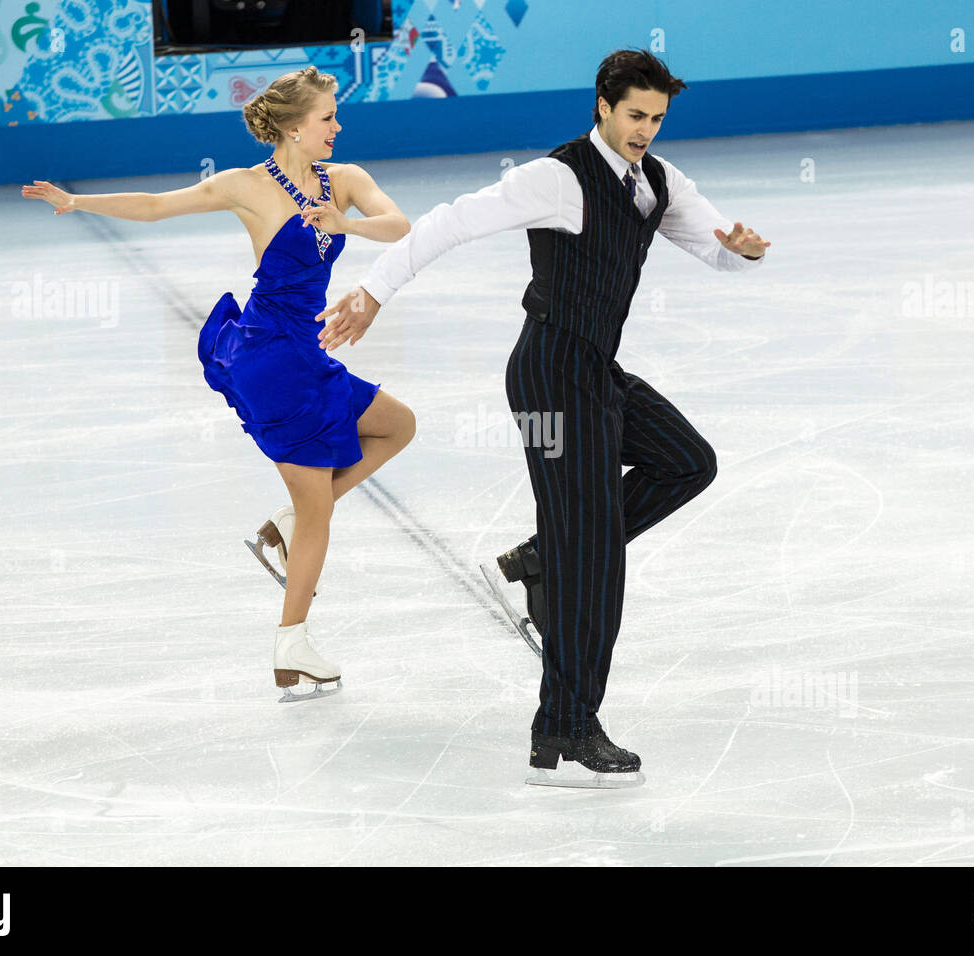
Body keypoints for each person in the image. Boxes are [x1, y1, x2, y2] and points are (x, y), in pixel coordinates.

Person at [315, 49, 769, 786]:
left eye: (656, 118)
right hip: (549, 380)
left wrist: (740, 252)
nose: (645, 130)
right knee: (598, 561)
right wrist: (372, 292)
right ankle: (562, 728)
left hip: (594, 372)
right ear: (602, 105)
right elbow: (447, 223)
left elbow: (715, 248)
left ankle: (542, 555)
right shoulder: (557, 179)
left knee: (688, 461)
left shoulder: (657, 182)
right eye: (634, 116)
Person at [22, 66, 417, 703]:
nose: (337, 127)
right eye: (327, 118)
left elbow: (399, 225)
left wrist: (347, 224)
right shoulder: (245, 186)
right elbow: (156, 207)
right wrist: (77, 202)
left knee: (398, 426)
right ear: (294, 127)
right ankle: (292, 644)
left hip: (308, 350)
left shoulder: (344, 181)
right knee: (319, 511)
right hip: (270, 358)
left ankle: (289, 526)